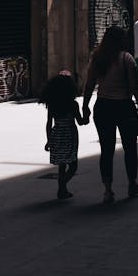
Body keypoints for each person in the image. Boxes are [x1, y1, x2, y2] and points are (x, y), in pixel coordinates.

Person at [82, 25, 138, 203]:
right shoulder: (126, 58)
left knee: (106, 150)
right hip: (123, 107)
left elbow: (89, 84)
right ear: (120, 41)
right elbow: (135, 87)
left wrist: (85, 106)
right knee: (130, 148)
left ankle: (108, 190)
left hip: (103, 107)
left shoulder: (97, 58)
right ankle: (132, 184)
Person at [39, 71, 84, 200]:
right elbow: (80, 122)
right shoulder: (73, 104)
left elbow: (49, 123)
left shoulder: (53, 105)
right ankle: (62, 187)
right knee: (73, 165)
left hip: (57, 134)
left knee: (62, 165)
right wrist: (87, 116)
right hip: (70, 135)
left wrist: (48, 140)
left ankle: (62, 190)